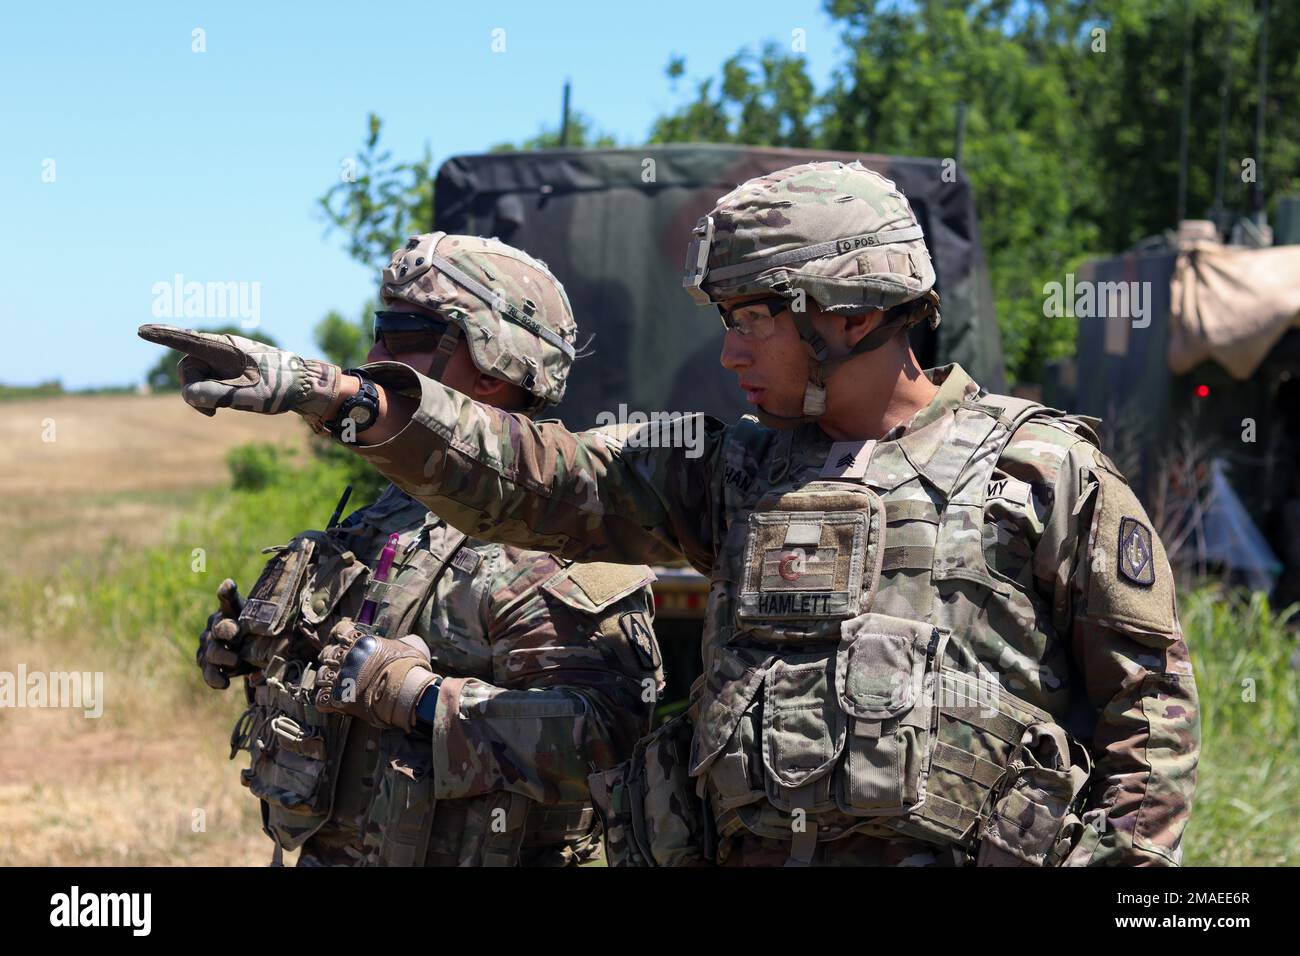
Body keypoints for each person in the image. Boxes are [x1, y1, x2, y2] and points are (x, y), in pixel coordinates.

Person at [148, 161, 1198, 867]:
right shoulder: (730, 468)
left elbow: (1148, 719)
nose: (732, 351)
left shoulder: (1040, 470)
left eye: (752, 319)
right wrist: (345, 398)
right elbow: (542, 477)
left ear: (854, 313)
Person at [186, 233, 662, 866]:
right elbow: (339, 676)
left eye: (402, 333)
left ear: (494, 366)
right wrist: (259, 650)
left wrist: (419, 699)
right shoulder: (388, 513)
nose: (374, 353)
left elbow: (605, 743)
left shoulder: (558, 542)